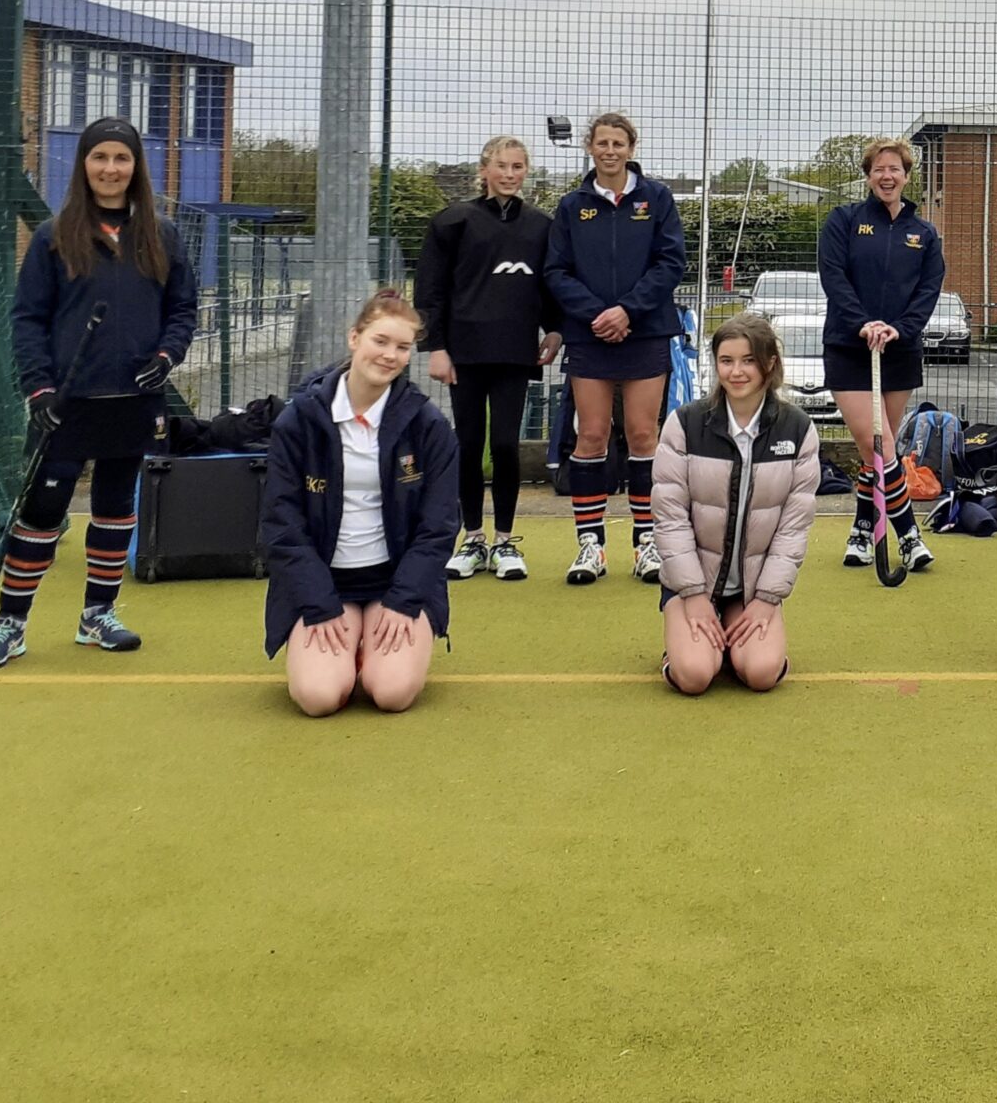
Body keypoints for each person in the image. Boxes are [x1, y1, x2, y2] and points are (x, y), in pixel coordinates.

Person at [0, 117, 196, 670]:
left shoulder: (162, 234)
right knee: (44, 509)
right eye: (100, 159)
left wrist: (167, 357)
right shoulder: (54, 235)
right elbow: (28, 318)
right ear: (84, 166)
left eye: (122, 159)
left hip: (132, 401)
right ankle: (11, 624)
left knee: (116, 506)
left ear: (136, 168)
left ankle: (98, 615)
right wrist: (38, 388)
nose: (111, 169)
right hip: (65, 403)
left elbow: (182, 310)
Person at [260, 288, 462, 715]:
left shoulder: (428, 424)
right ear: (355, 339)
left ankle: (374, 646)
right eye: (380, 341)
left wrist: (404, 599)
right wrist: (319, 601)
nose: (390, 355)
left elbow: (439, 525)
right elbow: (281, 523)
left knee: (390, 693)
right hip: (325, 585)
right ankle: (347, 644)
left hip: (395, 582)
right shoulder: (298, 421)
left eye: (403, 347)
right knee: (318, 699)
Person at [544, 113, 686, 587]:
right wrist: (596, 315)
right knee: (592, 437)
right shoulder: (571, 205)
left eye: (618, 143)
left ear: (631, 147)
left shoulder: (657, 198)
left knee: (645, 436)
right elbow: (557, 272)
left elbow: (670, 262)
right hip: (590, 337)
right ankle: (591, 546)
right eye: (602, 142)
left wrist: (627, 311)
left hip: (644, 332)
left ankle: (647, 544)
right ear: (589, 147)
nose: (610, 150)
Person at [416, 133, 561, 584]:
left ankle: (503, 542)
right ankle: (472, 538)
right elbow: (430, 290)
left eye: (518, 167)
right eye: (501, 166)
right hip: (463, 354)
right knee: (468, 444)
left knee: (503, 444)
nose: (510, 174)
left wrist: (556, 329)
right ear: (484, 170)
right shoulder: (452, 222)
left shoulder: (542, 226)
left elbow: (551, 284)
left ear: (525, 172)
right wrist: (435, 348)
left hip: (515, 353)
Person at [649, 312, 819, 695]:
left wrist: (766, 600)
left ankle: (744, 638)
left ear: (769, 363)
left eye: (748, 360)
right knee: (693, 677)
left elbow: (793, 528)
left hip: (753, 590)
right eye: (726, 361)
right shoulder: (685, 425)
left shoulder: (798, 430)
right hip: (694, 584)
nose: (736, 372)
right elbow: (669, 519)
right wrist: (692, 595)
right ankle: (688, 646)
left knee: (761, 674)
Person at [818, 136, 942, 574]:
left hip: (899, 349)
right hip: (850, 348)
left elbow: (928, 293)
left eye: (895, 169)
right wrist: (863, 324)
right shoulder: (844, 221)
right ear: (868, 176)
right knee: (879, 442)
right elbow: (833, 277)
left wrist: (898, 329)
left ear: (907, 176)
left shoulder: (923, 233)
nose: (887, 176)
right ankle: (909, 534)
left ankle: (860, 531)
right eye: (878, 169)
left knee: (878, 450)